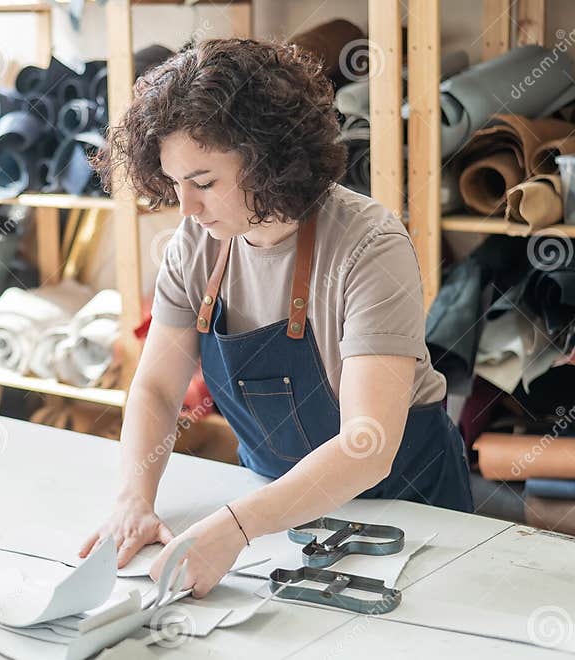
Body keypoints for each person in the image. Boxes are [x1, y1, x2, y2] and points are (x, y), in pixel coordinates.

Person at [78, 38, 473, 598]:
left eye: (204, 182)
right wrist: (134, 498)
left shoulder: (370, 245)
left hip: (409, 516)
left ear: (266, 157)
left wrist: (236, 527)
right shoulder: (196, 242)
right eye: (174, 184)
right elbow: (157, 391)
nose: (185, 208)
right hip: (276, 517)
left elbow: (368, 444)